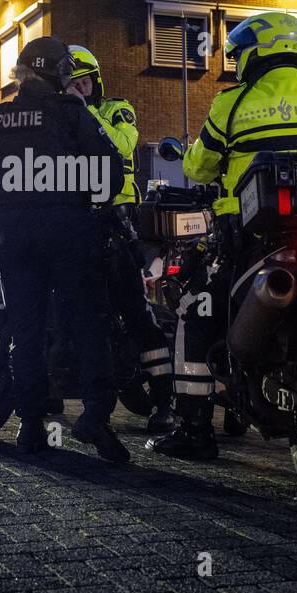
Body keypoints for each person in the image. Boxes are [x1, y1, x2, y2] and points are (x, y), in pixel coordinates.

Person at [146, 11, 297, 460]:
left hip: (253, 234)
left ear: (258, 52)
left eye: (239, 55)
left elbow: (198, 166)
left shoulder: (233, 103)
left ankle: (195, 429)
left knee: (196, 313)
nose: (237, 63)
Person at [0, 36, 130, 463]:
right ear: (57, 73)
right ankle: (94, 417)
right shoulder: (74, 114)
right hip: (72, 236)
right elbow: (110, 176)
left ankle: (31, 425)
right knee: (89, 325)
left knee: (26, 333)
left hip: (16, 238)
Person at [66, 45, 174, 432]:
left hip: (118, 219)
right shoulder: (63, 117)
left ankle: (165, 402)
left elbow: (122, 145)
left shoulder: (115, 109)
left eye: (83, 81)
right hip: (75, 221)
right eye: (70, 84)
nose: (78, 89)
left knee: (135, 310)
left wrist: (83, 109)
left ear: (95, 81)